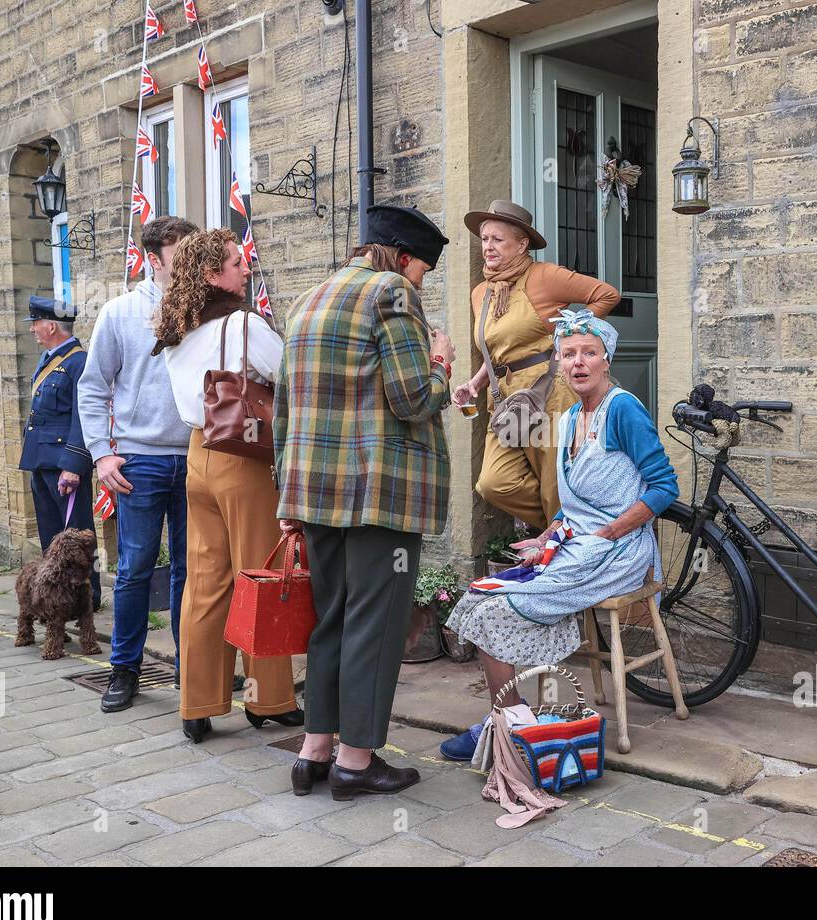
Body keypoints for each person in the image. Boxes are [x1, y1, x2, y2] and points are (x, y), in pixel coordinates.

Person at [440, 311, 678, 761]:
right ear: (560, 363)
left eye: (589, 353)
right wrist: (547, 537)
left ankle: (507, 726)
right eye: (568, 354)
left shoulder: (622, 408)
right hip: (579, 546)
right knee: (477, 595)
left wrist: (609, 531)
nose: (578, 363)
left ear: (607, 359)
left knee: (495, 614)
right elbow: (572, 508)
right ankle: (509, 720)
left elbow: (665, 487)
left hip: (619, 551)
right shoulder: (568, 417)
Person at [275, 204, 454, 800]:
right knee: (375, 623)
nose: (421, 280)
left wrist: (287, 494)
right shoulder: (393, 293)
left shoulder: (307, 298)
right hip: (379, 492)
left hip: (313, 489)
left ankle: (314, 751)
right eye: (424, 268)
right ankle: (356, 761)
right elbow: (412, 399)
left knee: (332, 618)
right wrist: (443, 364)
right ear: (403, 257)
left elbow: (284, 408)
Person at [153, 228, 303, 744]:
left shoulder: (175, 329)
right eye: (237, 263)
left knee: (205, 579)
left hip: (199, 454)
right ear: (213, 274)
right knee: (264, 574)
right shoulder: (241, 324)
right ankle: (269, 698)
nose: (246, 269)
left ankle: (197, 703)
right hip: (245, 456)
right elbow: (291, 373)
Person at [78, 215, 198, 713]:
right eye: (182, 255)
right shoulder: (119, 313)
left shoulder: (205, 311)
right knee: (133, 569)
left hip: (199, 459)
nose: (193, 264)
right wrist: (101, 454)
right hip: (139, 462)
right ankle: (124, 670)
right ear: (154, 260)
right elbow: (92, 387)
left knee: (195, 573)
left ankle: (193, 668)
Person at [452, 200, 620, 528]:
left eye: (497, 239)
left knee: (555, 481)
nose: (487, 246)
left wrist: (569, 340)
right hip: (505, 399)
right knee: (495, 483)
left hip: (549, 392)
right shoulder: (480, 293)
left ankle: (566, 549)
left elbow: (607, 294)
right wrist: (475, 383)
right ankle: (568, 530)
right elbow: (501, 349)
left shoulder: (545, 277)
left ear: (522, 244)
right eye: (484, 239)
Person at [18, 295, 101, 610]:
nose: (33, 330)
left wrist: (73, 464)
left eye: (36, 323)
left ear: (51, 325)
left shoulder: (78, 361)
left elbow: (84, 417)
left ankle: (87, 598)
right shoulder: (52, 357)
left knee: (77, 536)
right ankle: (57, 596)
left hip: (64, 464)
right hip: (42, 461)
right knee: (51, 537)